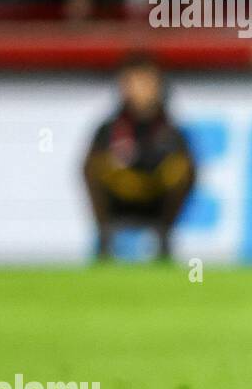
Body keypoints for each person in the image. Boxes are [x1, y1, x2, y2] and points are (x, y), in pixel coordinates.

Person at [83, 55, 196, 261]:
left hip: (157, 200)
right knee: (92, 165)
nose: (140, 89)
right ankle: (105, 237)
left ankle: (164, 236)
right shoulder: (108, 130)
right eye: (133, 82)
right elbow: (93, 165)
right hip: (118, 199)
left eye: (146, 82)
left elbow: (182, 167)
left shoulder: (171, 131)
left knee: (185, 168)